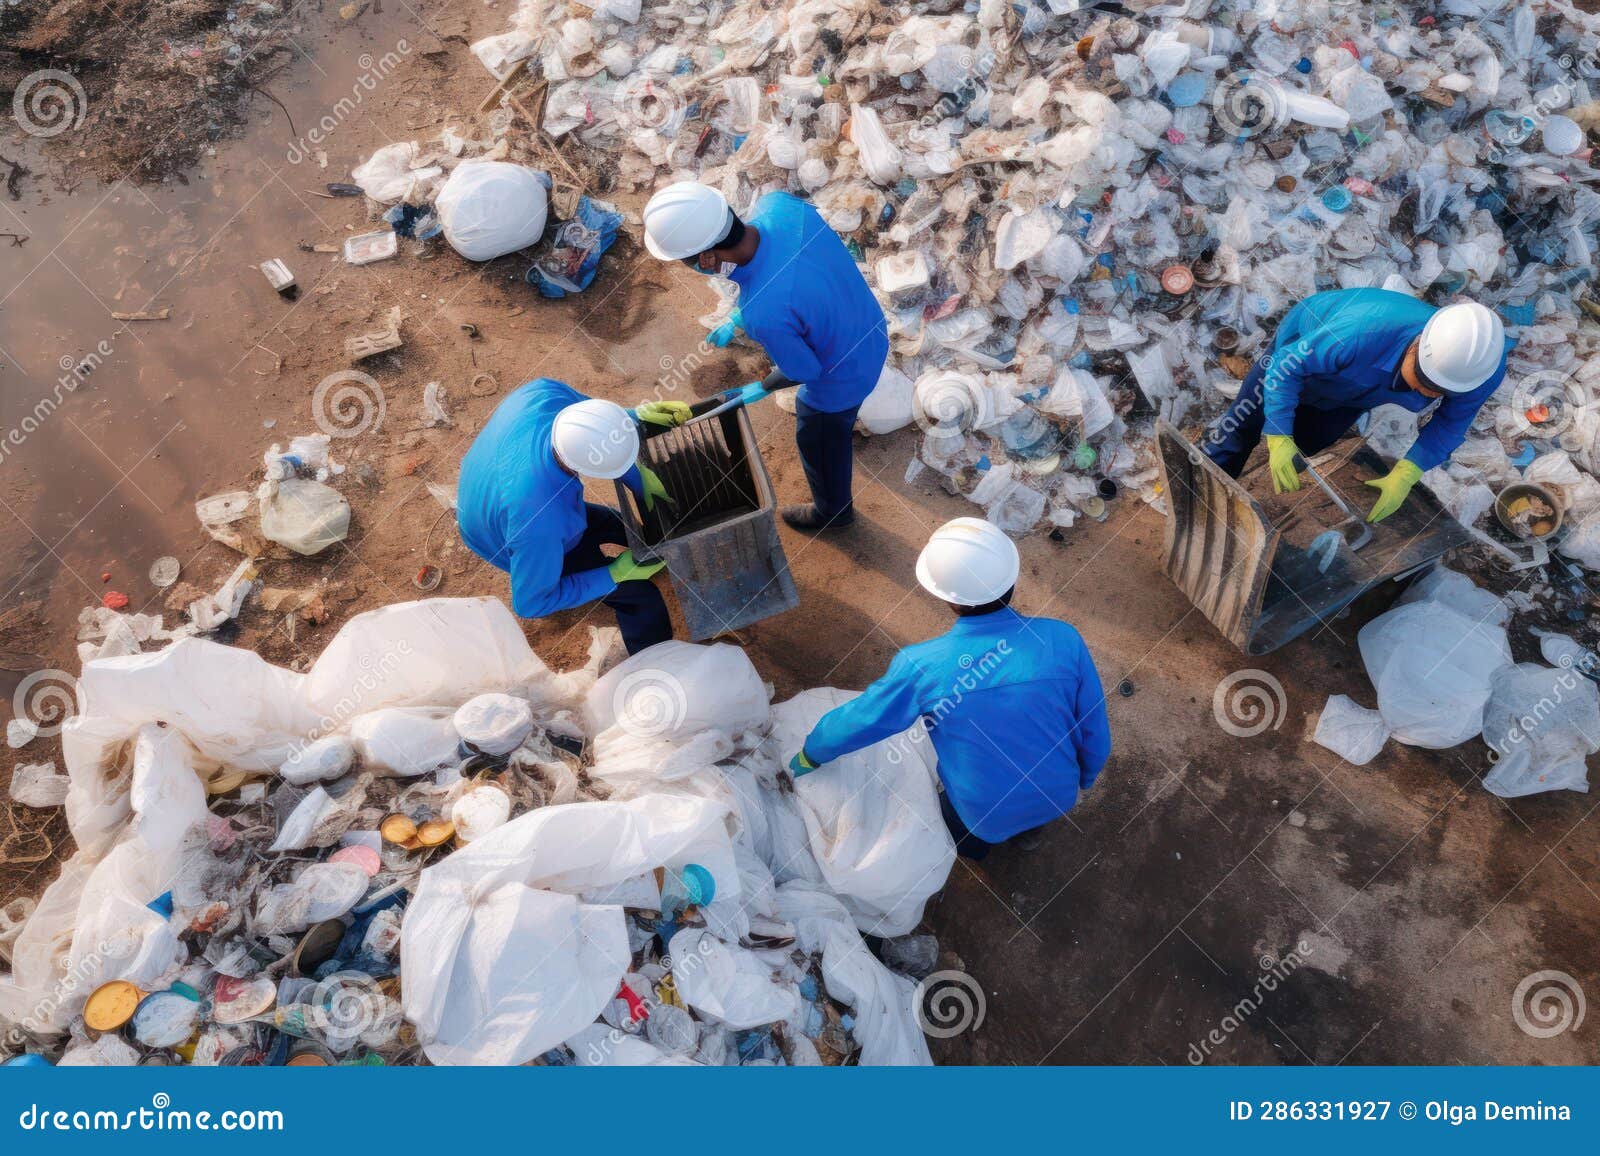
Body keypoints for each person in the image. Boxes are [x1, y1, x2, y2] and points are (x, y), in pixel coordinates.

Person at [787, 518, 1112, 860]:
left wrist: (813, 751)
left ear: (950, 600)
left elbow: (862, 720)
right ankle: (1027, 834)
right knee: (1030, 806)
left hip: (982, 811)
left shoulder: (921, 666)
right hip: (1057, 792)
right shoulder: (1062, 639)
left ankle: (977, 849)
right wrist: (1085, 777)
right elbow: (1094, 727)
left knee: (967, 828)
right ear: (1011, 580)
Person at [641, 181, 889, 532]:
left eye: (688, 263)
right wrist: (739, 315)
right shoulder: (780, 207)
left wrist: (763, 385)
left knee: (816, 437)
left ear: (708, 259)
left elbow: (805, 369)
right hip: (869, 326)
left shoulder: (766, 313)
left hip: (844, 377)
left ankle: (832, 512)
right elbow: (792, 274)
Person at [1201, 290, 1508, 522]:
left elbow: (1451, 424)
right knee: (1242, 427)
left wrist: (1408, 472)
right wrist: (1279, 433)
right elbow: (1288, 366)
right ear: (1418, 344)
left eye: (1435, 391)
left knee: (1311, 439)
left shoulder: (1477, 371)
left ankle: (1273, 463)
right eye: (1421, 378)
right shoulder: (1360, 331)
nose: (1421, 391)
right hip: (1298, 355)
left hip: (1356, 391)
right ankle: (1201, 492)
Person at [457, 378, 691, 654]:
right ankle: (659, 662)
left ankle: (653, 553)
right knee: (641, 596)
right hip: (497, 534)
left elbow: (592, 424)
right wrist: (614, 574)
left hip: (492, 488)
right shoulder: (540, 521)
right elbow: (529, 604)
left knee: (613, 523)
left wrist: (632, 417)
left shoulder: (544, 395)